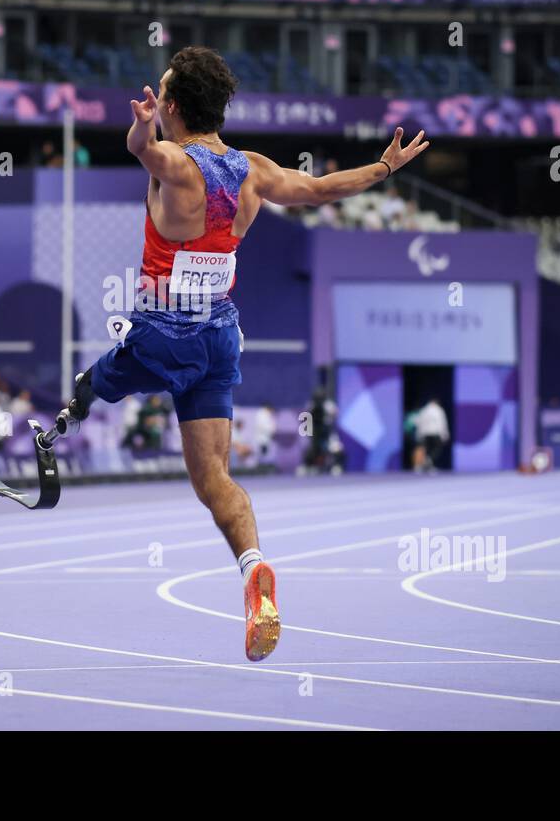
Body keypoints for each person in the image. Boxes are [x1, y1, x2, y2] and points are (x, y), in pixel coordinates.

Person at [44, 46, 430, 661]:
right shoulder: (251, 170)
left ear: (171, 105)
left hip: (163, 335)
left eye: (160, 94)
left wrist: (142, 133)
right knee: (214, 478)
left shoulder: (176, 165)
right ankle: (254, 571)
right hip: (219, 337)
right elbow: (321, 189)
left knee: (102, 376)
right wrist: (382, 169)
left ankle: (77, 401)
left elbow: (148, 152)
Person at [414, 397, 450, 472]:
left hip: (424, 433)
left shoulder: (424, 410)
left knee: (424, 449)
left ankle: (424, 465)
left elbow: (418, 422)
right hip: (435, 433)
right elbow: (442, 423)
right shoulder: (439, 410)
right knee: (436, 449)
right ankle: (428, 461)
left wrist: (418, 434)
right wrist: (445, 434)